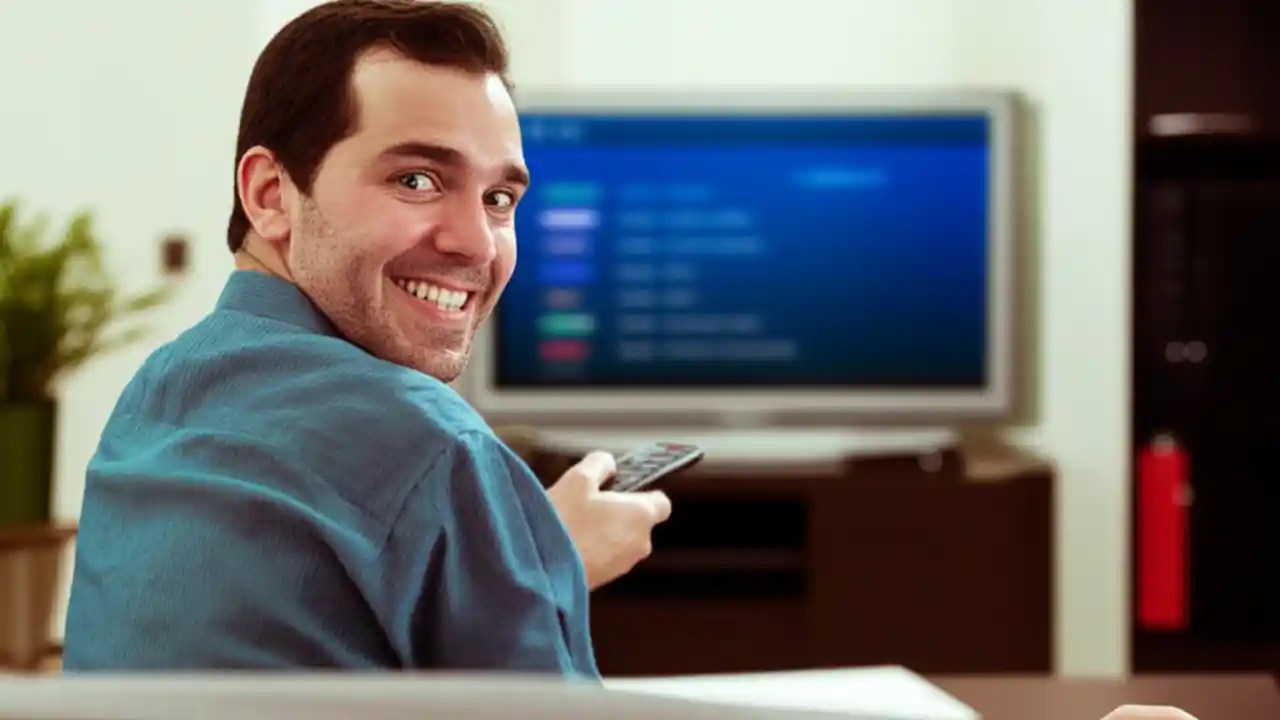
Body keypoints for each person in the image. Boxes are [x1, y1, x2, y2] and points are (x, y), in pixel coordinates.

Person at [62, 0, 671, 676]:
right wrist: (539, 570)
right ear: (270, 195)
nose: (474, 242)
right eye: (416, 180)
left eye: (499, 199)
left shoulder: (151, 400)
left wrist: (531, 561)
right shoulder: (434, 444)